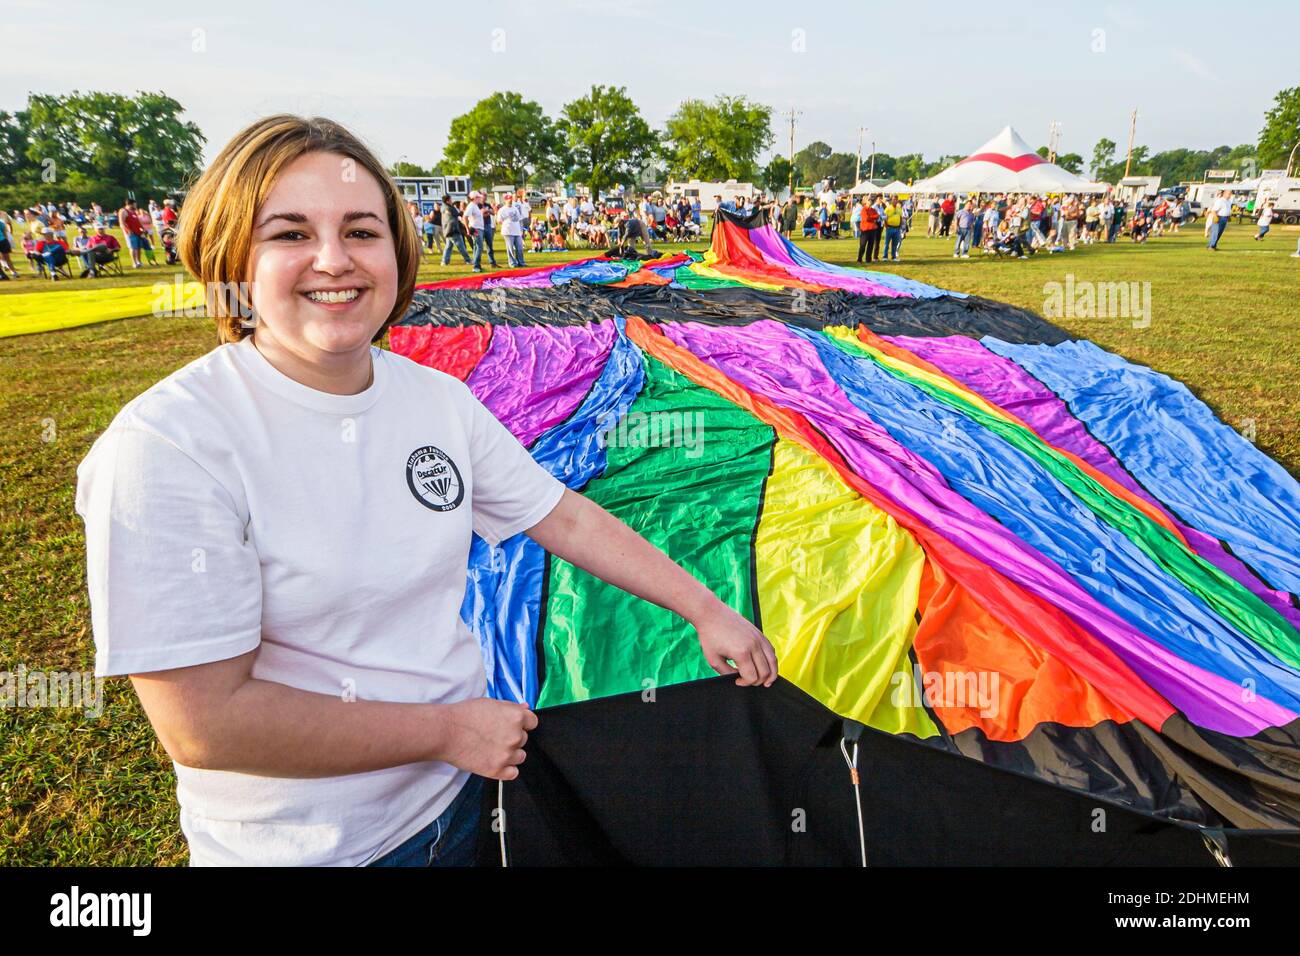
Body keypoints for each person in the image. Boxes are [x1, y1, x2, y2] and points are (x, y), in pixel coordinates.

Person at [74, 114, 777, 869]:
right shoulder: (169, 446)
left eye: (361, 231)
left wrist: (705, 609)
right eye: (289, 234)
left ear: (398, 249)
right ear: (230, 260)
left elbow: (561, 515)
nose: (334, 261)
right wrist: (446, 731)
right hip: (316, 849)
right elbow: (206, 725)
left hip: (460, 802)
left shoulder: (434, 400)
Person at [439, 194, 472, 267]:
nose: (452, 201)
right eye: (451, 199)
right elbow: (453, 217)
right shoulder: (448, 208)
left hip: (448, 230)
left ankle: (444, 261)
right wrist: (462, 212)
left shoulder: (444, 207)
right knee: (461, 246)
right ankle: (468, 260)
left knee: (448, 247)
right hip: (452, 230)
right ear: (447, 201)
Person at [499, 192, 527, 268]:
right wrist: (507, 223)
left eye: (511, 198)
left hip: (517, 231)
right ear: (505, 200)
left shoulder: (515, 208)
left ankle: (521, 262)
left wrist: (521, 230)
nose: (510, 200)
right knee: (510, 248)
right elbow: (499, 220)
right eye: (508, 199)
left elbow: (519, 219)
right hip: (508, 231)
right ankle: (512, 263)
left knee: (519, 248)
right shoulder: (502, 210)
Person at [118, 199, 146, 267]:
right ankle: (134, 262)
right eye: (135, 204)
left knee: (139, 247)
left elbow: (138, 221)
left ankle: (139, 261)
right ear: (130, 204)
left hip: (138, 232)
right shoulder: (123, 211)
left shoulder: (133, 211)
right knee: (133, 247)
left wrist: (143, 228)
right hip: (130, 233)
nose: (136, 205)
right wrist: (127, 230)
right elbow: (122, 222)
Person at [857, 196, 881, 263]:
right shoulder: (864, 209)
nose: (870, 201)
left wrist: (872, 217)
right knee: (863, 245)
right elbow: (866, 218)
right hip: (865, 230)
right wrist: (873, 217)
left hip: (872, 229)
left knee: (870, 245)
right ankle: (859, 259)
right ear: (866, 201)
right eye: (869, 200)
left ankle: (868, 260)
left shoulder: (873, 210)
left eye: (871, 200)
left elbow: (877, 216)